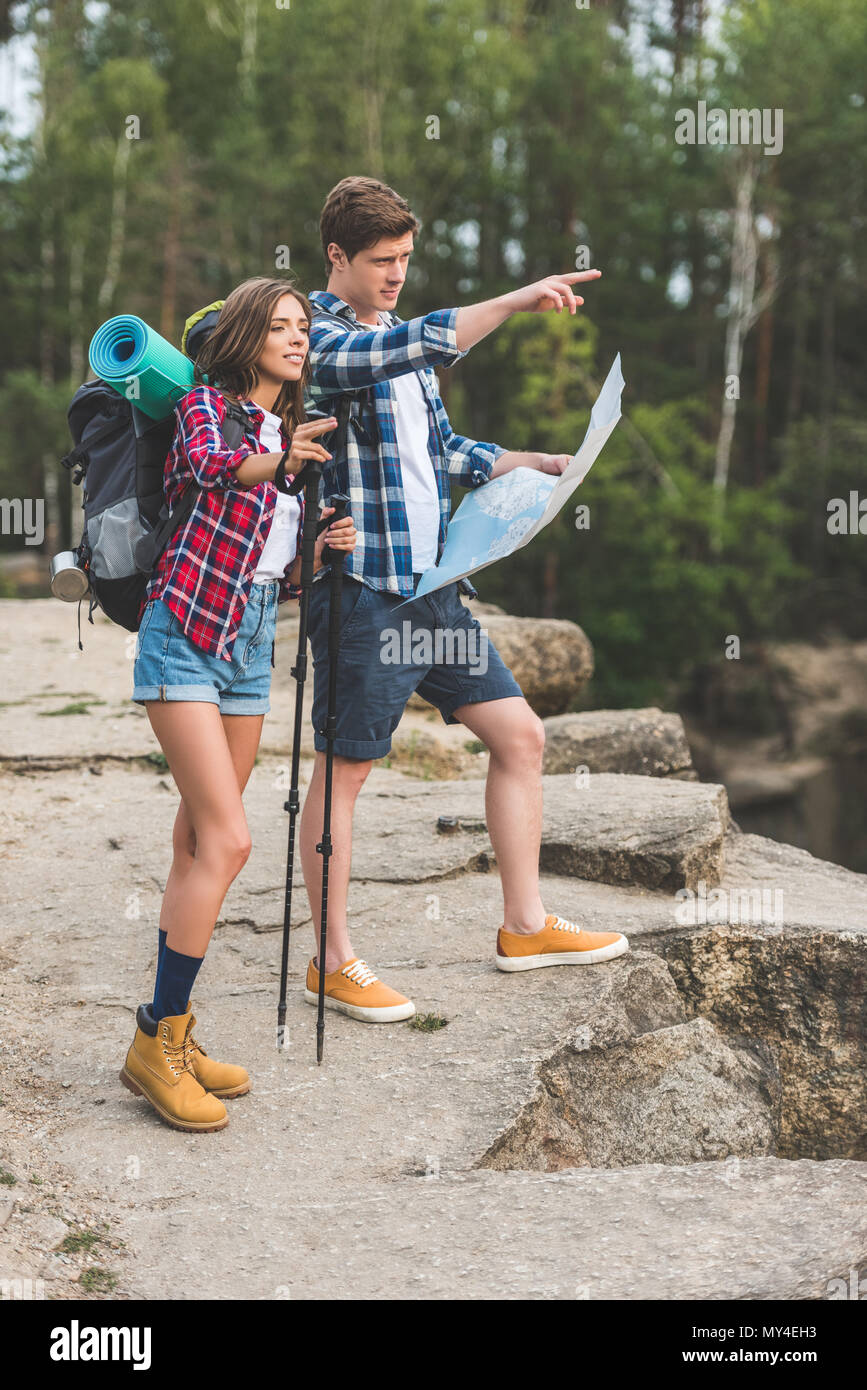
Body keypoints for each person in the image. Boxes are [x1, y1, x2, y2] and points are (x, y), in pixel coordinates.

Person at [298, 177, 629, 1024]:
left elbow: (444, 450)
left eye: (406, 259)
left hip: (434, 591)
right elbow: (409, 347)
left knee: (520, 735)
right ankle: (332, 961)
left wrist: (535, 462)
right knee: (346, 774)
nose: (396, 275)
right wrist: (519, 300)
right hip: (362, 593)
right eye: (381, 261)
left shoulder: (390, 337)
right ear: (336, 256)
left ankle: (523, 923)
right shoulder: (317, 340)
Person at [120, 277, 357, 1131]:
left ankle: (170, 1035)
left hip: (251, 645)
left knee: (196, 841)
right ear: (248, 332)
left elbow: (281, 573)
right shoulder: (206, 409)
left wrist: (321, 549)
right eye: (283, 326)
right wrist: (281, 461)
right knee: (229, 838)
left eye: (305, 328)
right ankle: (158, 1039)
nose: (299, 339)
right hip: (182, 631)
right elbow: (215, 473)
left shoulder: (290, 437)